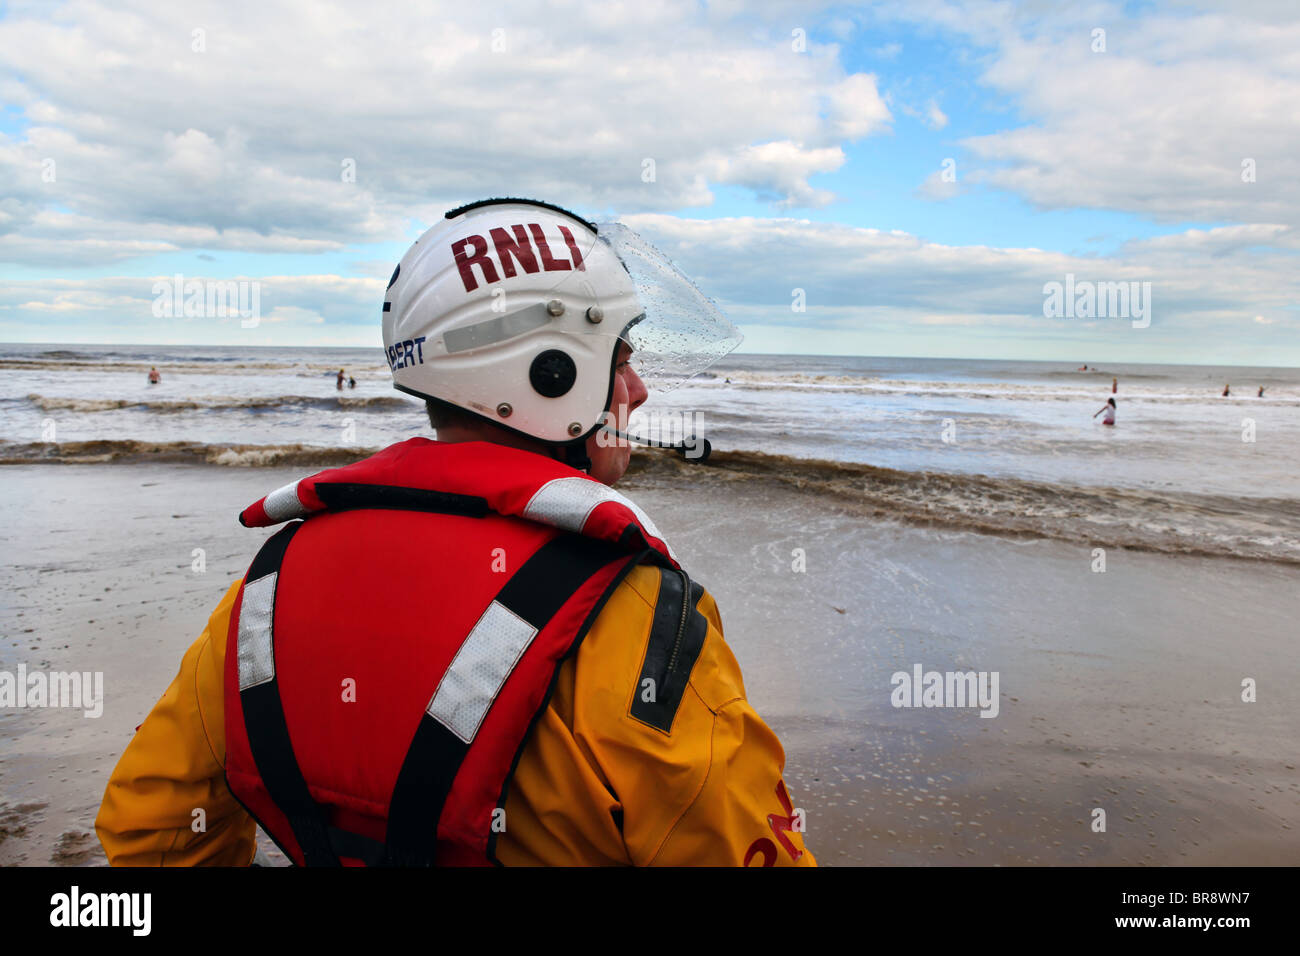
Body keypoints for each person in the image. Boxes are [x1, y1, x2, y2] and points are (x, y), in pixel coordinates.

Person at [94, 198, 813, 867]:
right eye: (621, 360)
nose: (639, 390)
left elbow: (147, 824)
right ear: (549, 375)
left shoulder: (266, 587)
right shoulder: (633, 614)